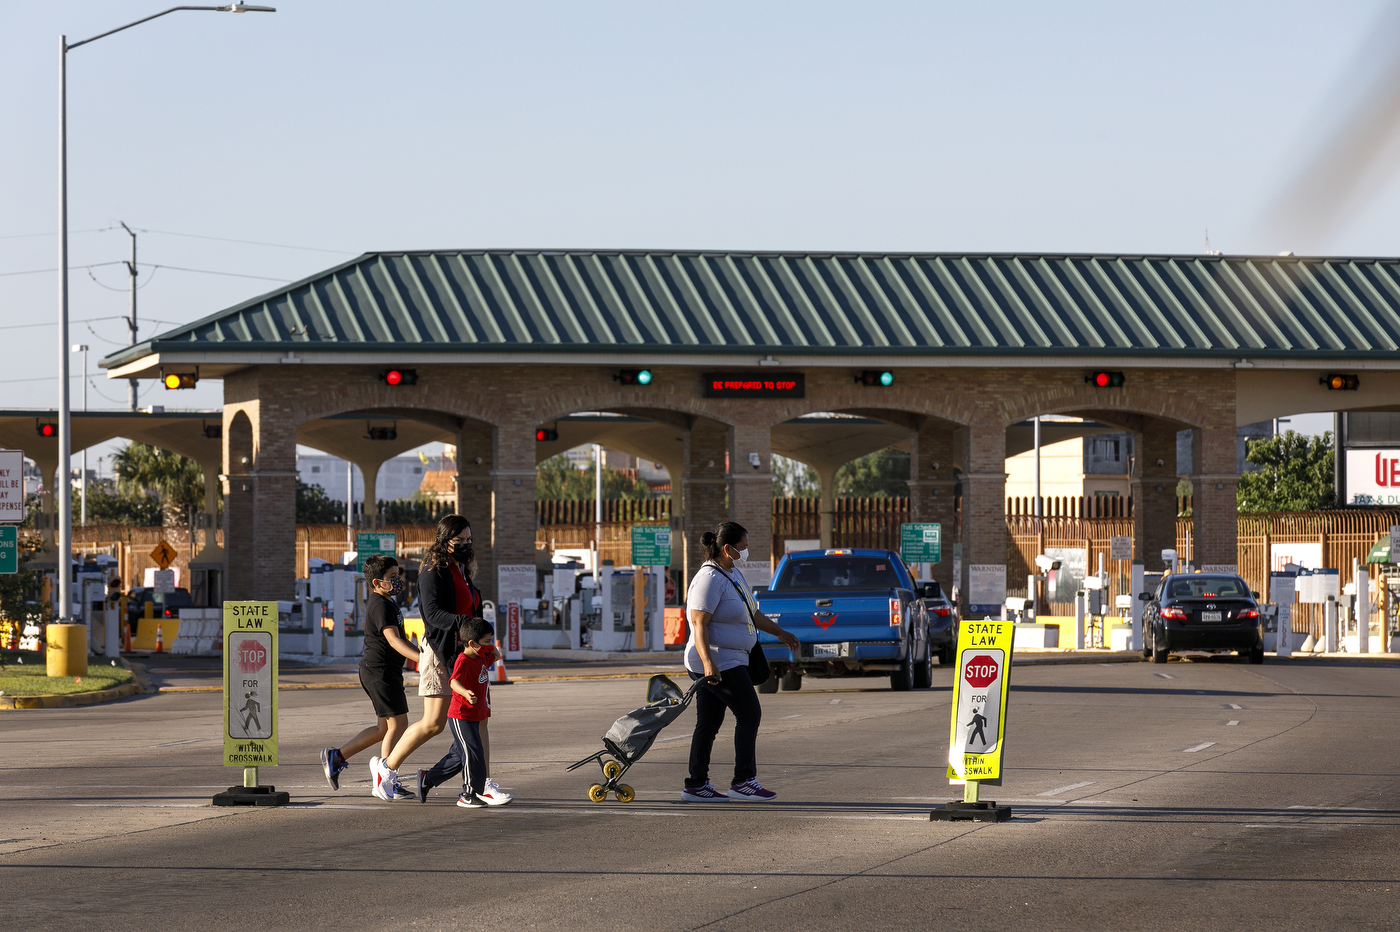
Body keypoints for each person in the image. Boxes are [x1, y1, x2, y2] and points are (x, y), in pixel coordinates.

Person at [370, 515, 511, 804]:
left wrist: (484, 642)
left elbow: (472, 610)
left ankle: (481, 784)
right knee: (433, 723)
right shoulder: (433, 572)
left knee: (480, 718)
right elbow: (432, 614)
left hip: (469, 653)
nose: (464, 545)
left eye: (468, 540)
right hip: (441, 651)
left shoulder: (463, 570)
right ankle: (386, 767)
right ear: (444, 541)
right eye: (458, 541)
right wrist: (465, 623)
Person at [682, 521, 799, 803]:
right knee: (749, 714)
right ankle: (743, 781)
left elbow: (753, 614)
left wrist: (781, 633)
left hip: (730, 658)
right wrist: (709, 664)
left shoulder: (731, 575)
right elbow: (698, 622)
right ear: (727, 549)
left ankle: (696, 784)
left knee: (708, 723)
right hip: (718, 660)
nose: (745, 553)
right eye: (743, 548)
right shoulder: (708, 578)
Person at [320, 554, 420, 795]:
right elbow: (394, 640)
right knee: (399, 724)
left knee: (383, 729)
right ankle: (386, 779)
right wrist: (423, 660)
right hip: (381, 673)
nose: (398, 581)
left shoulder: (387, 603)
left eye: (399, 576)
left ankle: (337, 756)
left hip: (381, 672)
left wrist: (422, 652)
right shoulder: (381, 605)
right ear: (376, 582)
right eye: (392, 577)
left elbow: (401, 639)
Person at [415, 617, 511, 808]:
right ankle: (469, 793)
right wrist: (465, 692)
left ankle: (428, 778)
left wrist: (491, 646)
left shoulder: (481, 656)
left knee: (459, 757)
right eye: (486, 641)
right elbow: (453, 681)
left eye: (491, 640)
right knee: (473, 753)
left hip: (475, 714)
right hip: (461, 715)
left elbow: (497, 655)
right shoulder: (463, 660)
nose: (490, 645)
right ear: (471, 644)